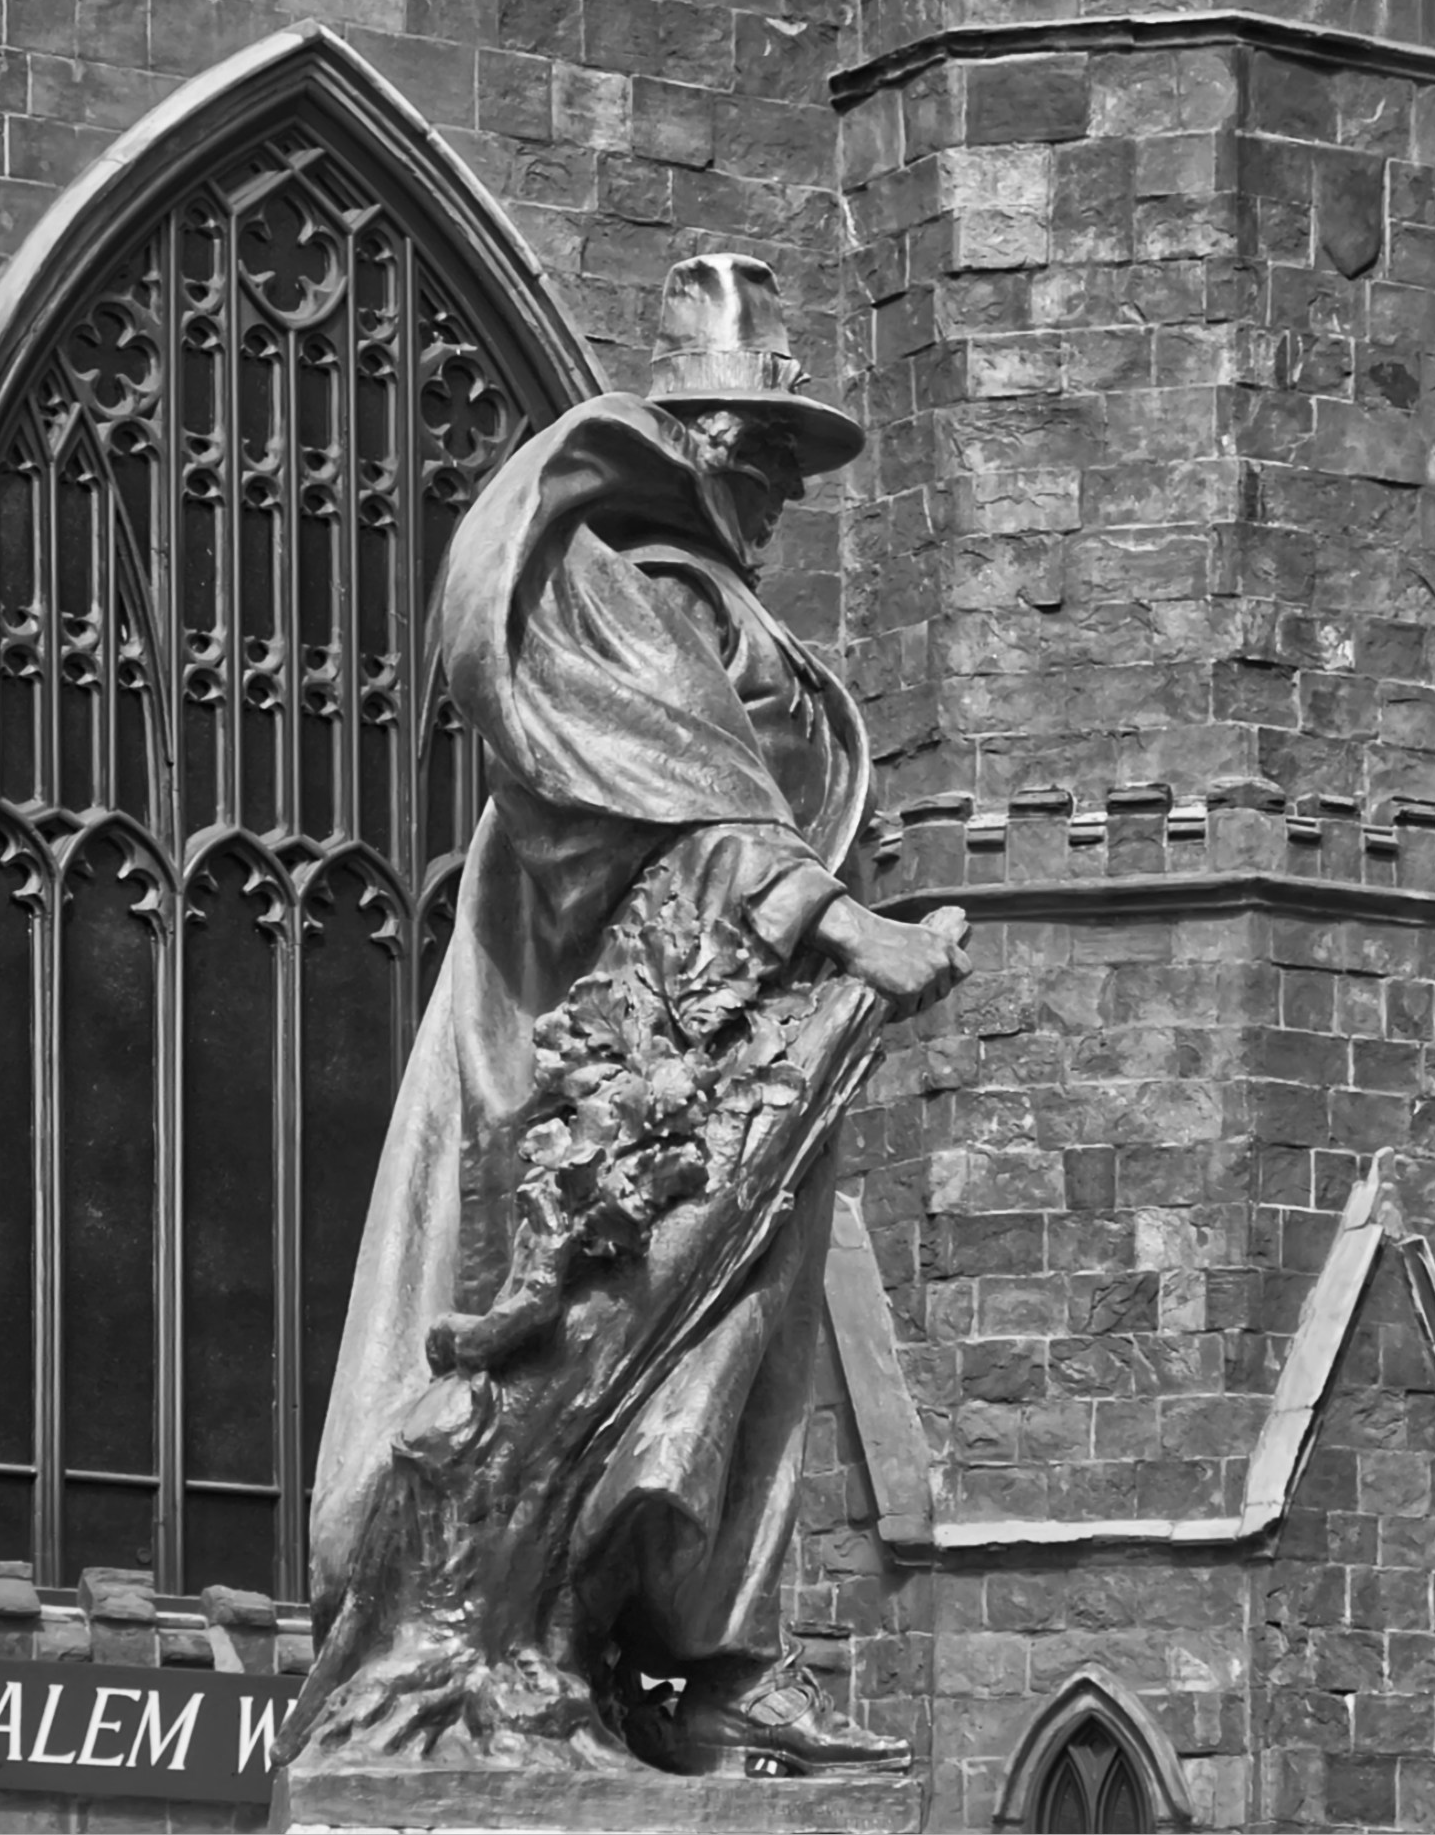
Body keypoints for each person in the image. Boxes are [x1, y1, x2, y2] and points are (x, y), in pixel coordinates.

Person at [302, 253, 965, 1776]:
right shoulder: (625, 592)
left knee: (743, 1353)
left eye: (793, 459)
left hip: (744, 1049)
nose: (783, 489)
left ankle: (697, 1656)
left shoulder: (718, 602)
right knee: (605, 1352)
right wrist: (849, 924)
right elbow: (672, 803)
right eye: (760, 451)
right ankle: (520, 1651)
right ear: (686, 445)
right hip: (617, 1067)